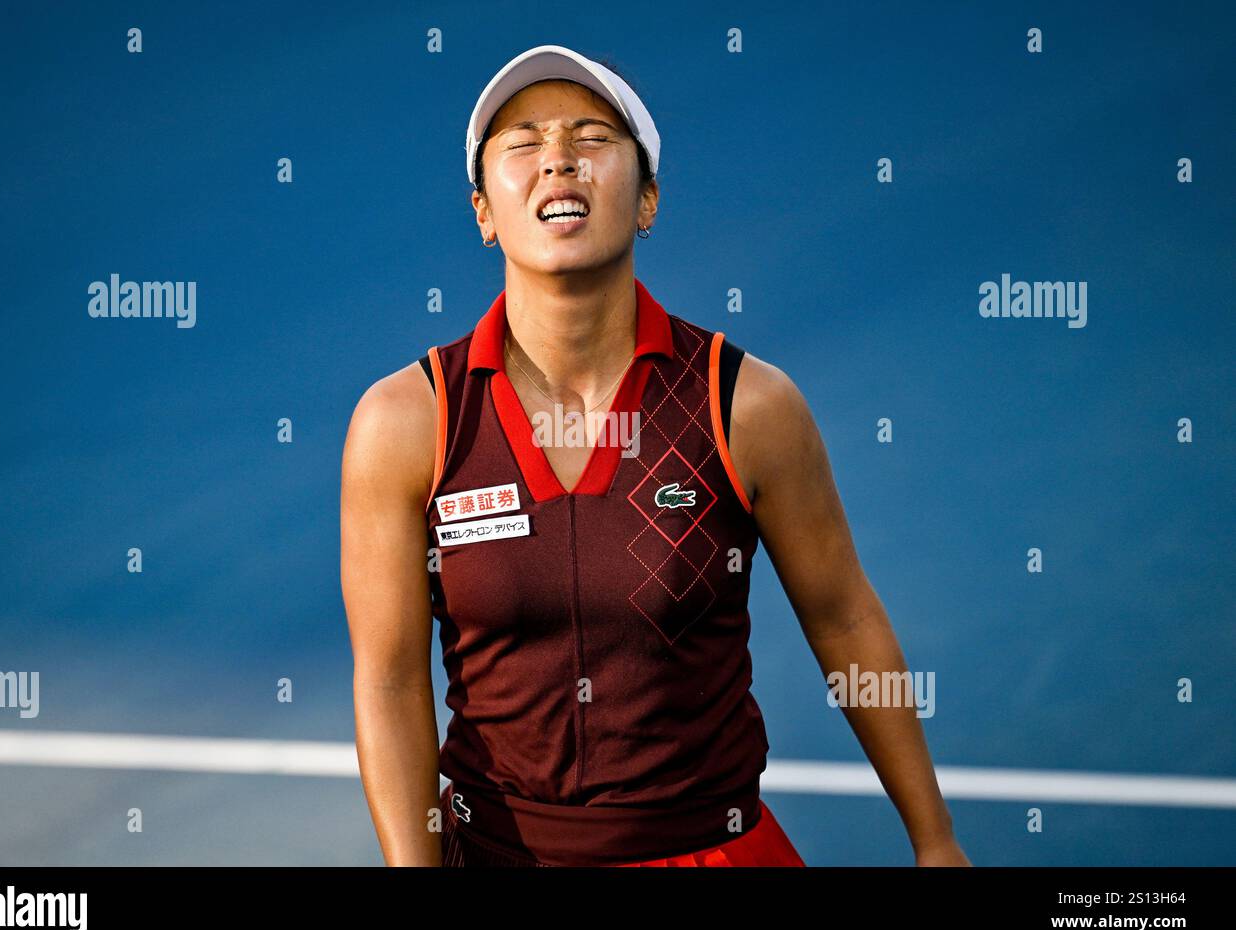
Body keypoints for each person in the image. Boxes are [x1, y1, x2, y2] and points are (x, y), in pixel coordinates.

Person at [341, 44, 970, 867]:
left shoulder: (746, 404)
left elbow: (842, 616)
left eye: (593, 137)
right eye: (522, 143)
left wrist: (935, 841)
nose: (558, 159)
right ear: (484, 212)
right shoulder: (406, 422)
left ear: (647, 201)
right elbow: (389, 682)